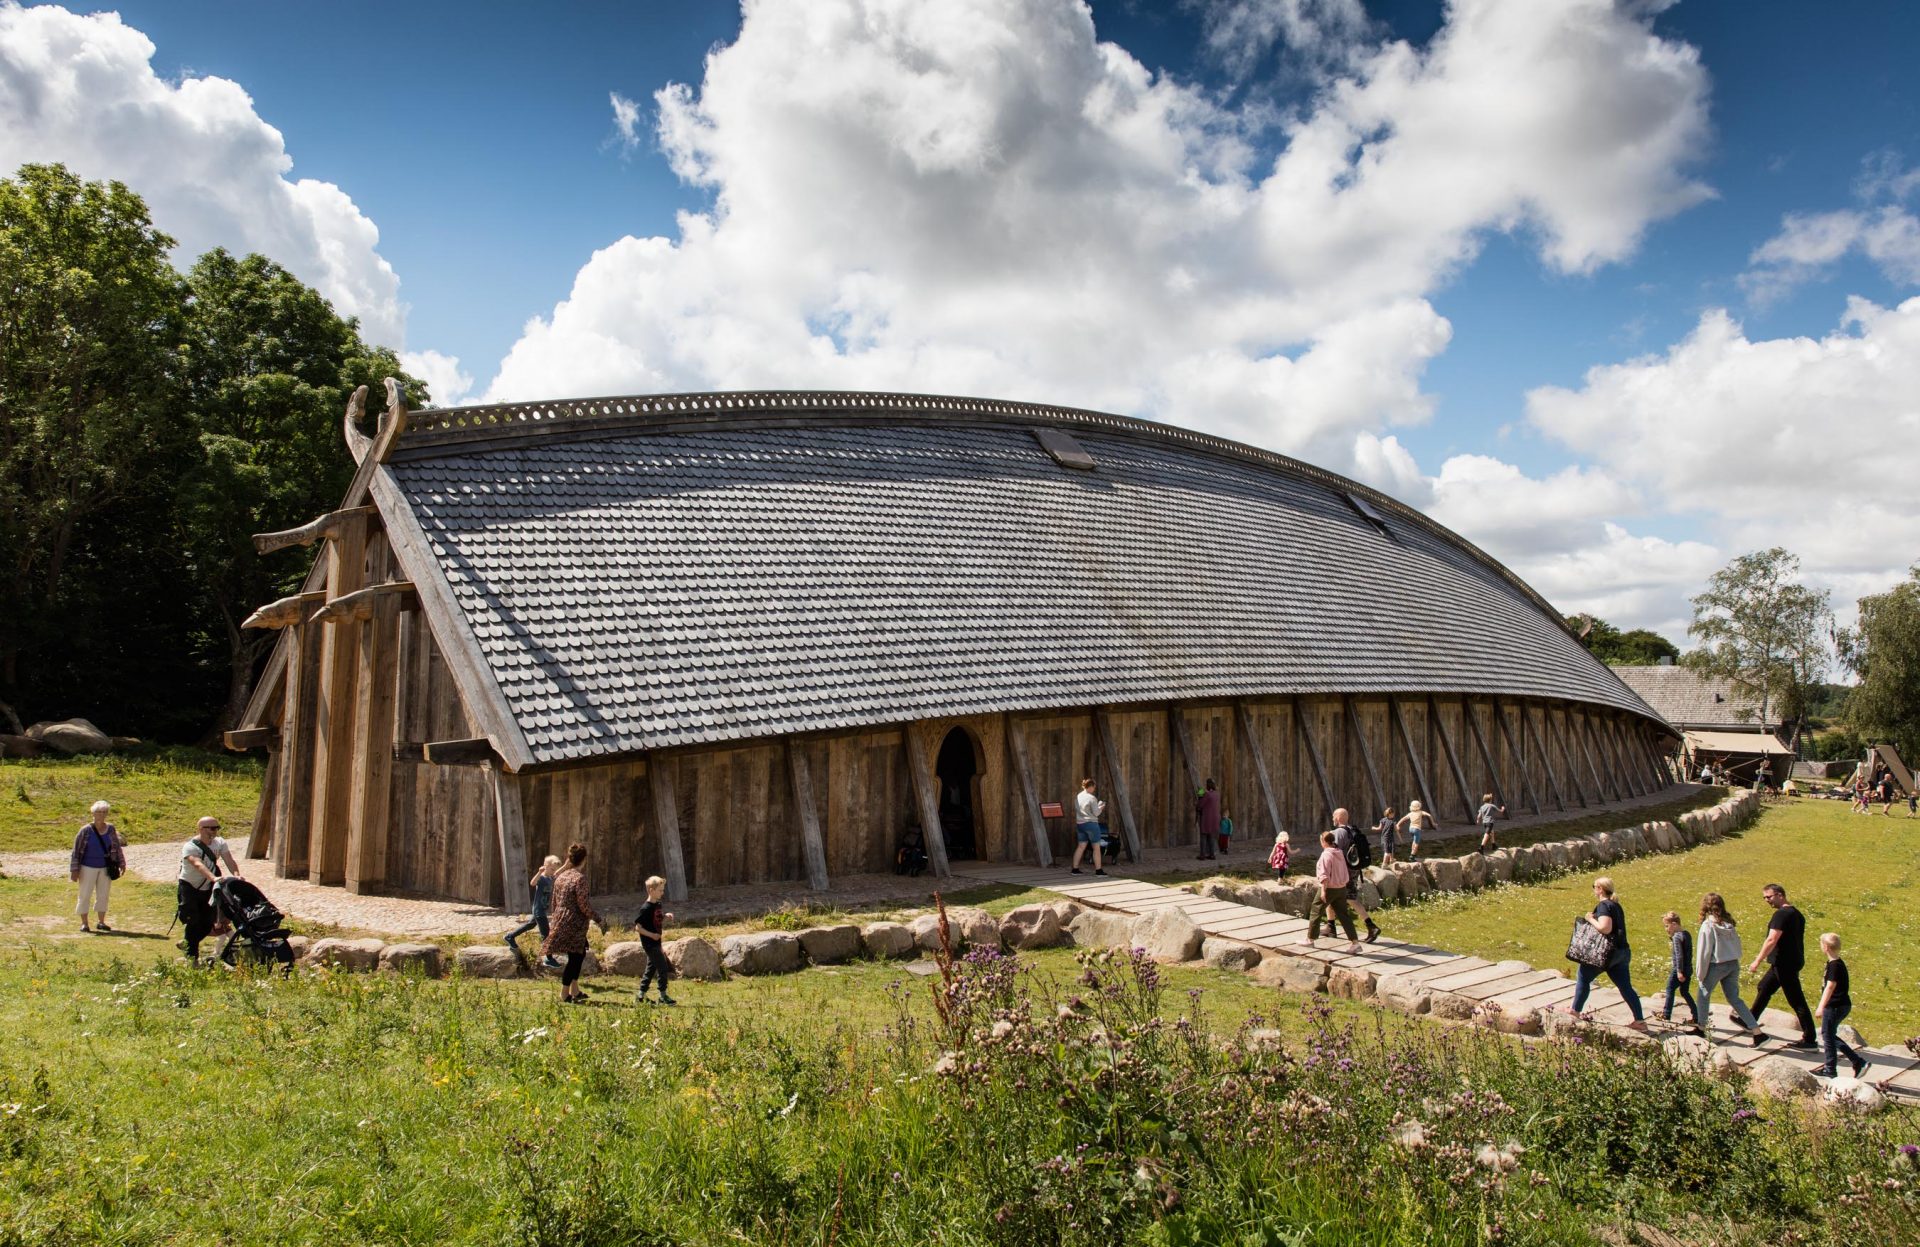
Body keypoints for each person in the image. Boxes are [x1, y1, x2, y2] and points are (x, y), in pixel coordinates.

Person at [1566, 877, 1647, 1031]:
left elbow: (1605, 928)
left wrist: (1590, 919)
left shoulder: (1604, 905)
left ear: (1600, 889)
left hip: (1606, 953)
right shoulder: (1616, 905)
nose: (1593, 890)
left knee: (1583, 977)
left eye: (1594, 887)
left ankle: (1574, 1011)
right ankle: (1640, 1021)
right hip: (1622, 951)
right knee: (1625, 987)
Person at [1748, 882, 1817, 1048]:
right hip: (1789, 961)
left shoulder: (1781, 915)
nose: (1767, 900)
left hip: (1784, 963)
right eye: (1765, 898)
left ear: (1780, 895)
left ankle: (1809, 1038)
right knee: (1764, 987)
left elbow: (1772, 939)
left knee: (1796, 999)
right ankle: (1749, 1019)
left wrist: (1757, 960)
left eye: (1769, 897)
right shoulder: (1796, 914)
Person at [542, 842, 607, 1004]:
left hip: (560, 919)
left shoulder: (561, 877)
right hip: (574, 923)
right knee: (575, 958)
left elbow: (555, 901)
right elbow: (584, 906)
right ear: (584, 860)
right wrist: (599, 919)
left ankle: (575, 990)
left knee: (580, 953)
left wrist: (555, 918)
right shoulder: (580, 879)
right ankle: (565, 993)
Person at [1695, 892, 1762, 1044]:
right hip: (1733, 963)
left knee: (1703, 995)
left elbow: (1704, 952)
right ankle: (1757, 1032)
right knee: (1734, 998)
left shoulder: (1708, 926)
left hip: (1716, 965)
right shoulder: (1728, 924)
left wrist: (1700, 973)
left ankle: (1701, 1028)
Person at [177, 816, 240, 963]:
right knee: (192, 921)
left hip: (208, 886)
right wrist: (213, 877)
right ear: (201, 829)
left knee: (207, 923)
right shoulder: (190, 846)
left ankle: (188, 943)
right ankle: (192, 959)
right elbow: (197, 864)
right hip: (189, 886)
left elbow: (229, 859)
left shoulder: (220, 843)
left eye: (217, 827)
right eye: (212, 828)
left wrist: (237, 875)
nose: (215, 831)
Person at [1811, 932, 1868, 1079]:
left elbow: (1830, 986)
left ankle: (1832, 1069)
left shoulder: (1834, 966)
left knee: (1828, 1036)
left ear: (1826, 947)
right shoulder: (1836, 963)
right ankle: (1854, 1062)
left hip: (1834, 1006)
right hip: (1841, 1005)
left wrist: (1821, 1007)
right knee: (1829, 1035)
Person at [69, 800, 127, 932]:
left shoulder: (111, 829)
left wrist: (122, 862)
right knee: (85, 894)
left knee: (103, 895)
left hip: (105, 867)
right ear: (93, 813)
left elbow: (117, 847)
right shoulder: (85, 831)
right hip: (87, 867)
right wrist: (74, 870)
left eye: (104, 812)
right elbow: (76, 851)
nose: (102, 815)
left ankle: (101, 922)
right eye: (99, 812)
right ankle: (84, 923)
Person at [1306, 822, 1360, 952]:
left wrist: (1323, 891)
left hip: (1329, 888)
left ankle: (1310, 940)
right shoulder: (1339, 852)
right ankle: (1355, 943)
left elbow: (1324, 875)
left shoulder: (1326, 854)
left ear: (1324, 841)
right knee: (1343, 915)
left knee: (1316, 911)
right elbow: (1344, 870)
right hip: (1341, 888)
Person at [1330, 808, 1381, 942]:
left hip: (1341, 872)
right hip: (1354, 870)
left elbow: (1334, 853)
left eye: (1334, 816)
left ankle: (1370, 926)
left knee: (1332, 896)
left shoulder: (1338, 833)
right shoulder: (1352, 830)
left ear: (1338, 818)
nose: (1332, 819)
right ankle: (1332, 926)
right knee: (1349, 898)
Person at [505, 855, 562, 970]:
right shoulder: (541, 878)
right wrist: (539, 872)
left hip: (542, 910)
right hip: (538, 910)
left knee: (530, 925)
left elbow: (557, 872)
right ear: (545, 867)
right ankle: (548, 958)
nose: (553, 872)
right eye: (551, 869)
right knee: (546, 934)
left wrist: (566, 866)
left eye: (554, 870)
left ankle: (510, 936)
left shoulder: (551, 878)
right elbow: (532, 883)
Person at [1656, 910, 1702, 1033]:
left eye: (1667, 926)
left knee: (1670, 989)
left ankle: (1666, 1014)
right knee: (1685, 992)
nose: (1666, 929)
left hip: (1679, 969)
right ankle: (1697, 1016)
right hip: (1688, 968)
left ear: (1675, 924)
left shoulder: (1677, 937)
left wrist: (1679, 971)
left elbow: (1679, 955)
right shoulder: (1686, 934)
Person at [634, 874, 676, 1006]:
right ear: (651, 891)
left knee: (651, 969)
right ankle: (663, 997)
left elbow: (656, 918)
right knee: (662, 968)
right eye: (660, 890)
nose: (662, 893)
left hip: (656, 942)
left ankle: (641, 996)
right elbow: (638, 928)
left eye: (663, 890)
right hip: (650, 944)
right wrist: (651, 935)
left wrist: (665, 916)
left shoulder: (657, 904)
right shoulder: (645, 908)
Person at [1071, 778, 1107, 876]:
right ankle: (1099, 871)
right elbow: (1096, 813)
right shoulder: (1092, 798)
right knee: (1096, 847)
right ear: (1090, 787)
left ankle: (1075, 869)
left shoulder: (1078, 796)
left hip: (1080, 824)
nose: (1094, 789)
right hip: (1091, 824)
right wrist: (1101, 807)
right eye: (1094, 787)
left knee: (1081, 846)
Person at [1194, 779, 1220, 862]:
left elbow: (1200, 805)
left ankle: (1202, 855)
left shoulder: (1207, 795)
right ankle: (1212, 854)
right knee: (1211, 837)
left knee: (1203, 837)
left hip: (1206, 818)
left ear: (1208, 785)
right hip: (1214, 818)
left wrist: (1199, 798)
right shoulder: (1217, 794)